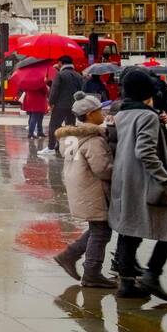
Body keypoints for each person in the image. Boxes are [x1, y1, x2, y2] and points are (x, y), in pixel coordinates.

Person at [108, 66, 167, 302]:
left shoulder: (121, 114)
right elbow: (145, 151)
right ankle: (152, 273)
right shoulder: (147, 116)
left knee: (129, 228)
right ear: (146, 92)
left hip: (123, 178)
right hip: (145, 180)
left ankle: (127, 283)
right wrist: (163, 179)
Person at [52, 92, 116, 288]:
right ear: (89, 114)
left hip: (80, 187)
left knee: (99, 229)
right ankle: (91, 272)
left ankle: (69, 255)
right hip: (93, 190)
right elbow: (103, 169)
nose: (103, 114)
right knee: (101, 232)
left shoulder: (70, 136)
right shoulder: (93, 139)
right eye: (99, 111)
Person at [40, 55, 82, 155]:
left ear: (60, 63)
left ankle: (51, 147)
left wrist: (51, 103)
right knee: (70, 126)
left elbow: (55, 90)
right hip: (74, 106)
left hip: (60, 105)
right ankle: (71, 148)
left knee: (54, 125)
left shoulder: (60, 75)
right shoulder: (78, 76)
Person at [18, 69, 49, 140]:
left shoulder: (27, 80)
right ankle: (31, 133)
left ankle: (38, 132)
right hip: (39, 101)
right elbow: (46, 91)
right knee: (38, 117)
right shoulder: (40, 80)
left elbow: (24, 89)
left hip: (29, 100)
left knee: (33, 116)